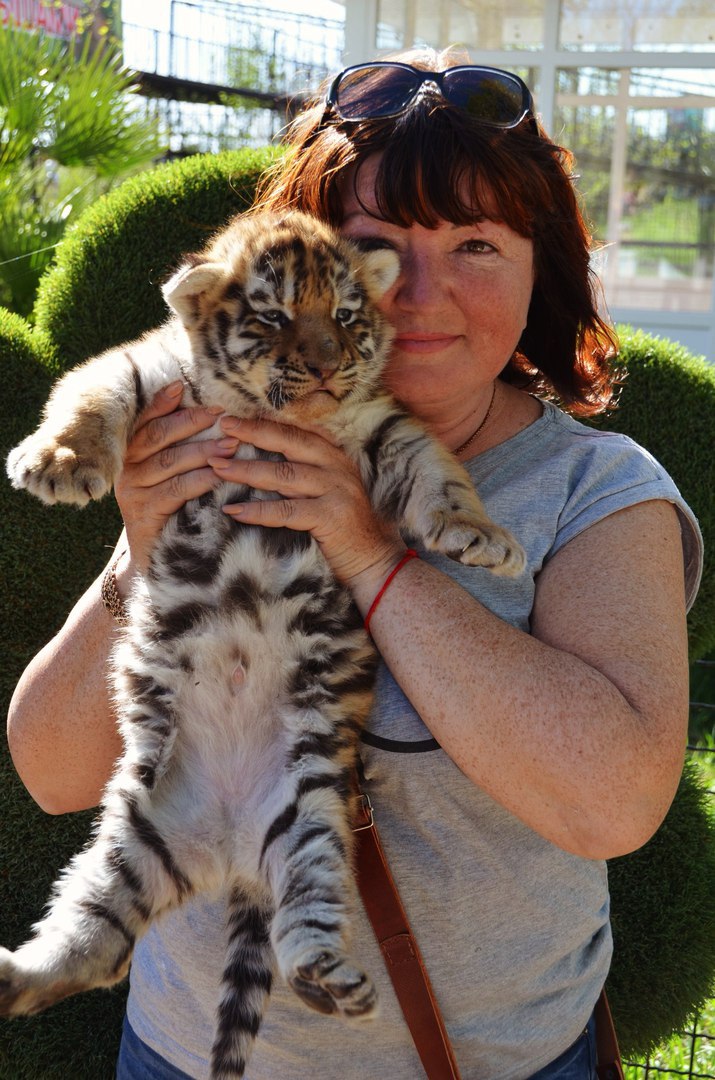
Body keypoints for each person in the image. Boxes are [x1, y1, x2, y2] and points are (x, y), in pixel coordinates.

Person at [6, 47, 703, 1080]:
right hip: (189, 1049)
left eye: (475, 243)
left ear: (537, 267)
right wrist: (141, 555)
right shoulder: (216, 441)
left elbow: (610, 803)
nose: (418, 295)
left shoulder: (593, 491)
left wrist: (367, 548)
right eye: (377, 243)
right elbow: (51, 772)